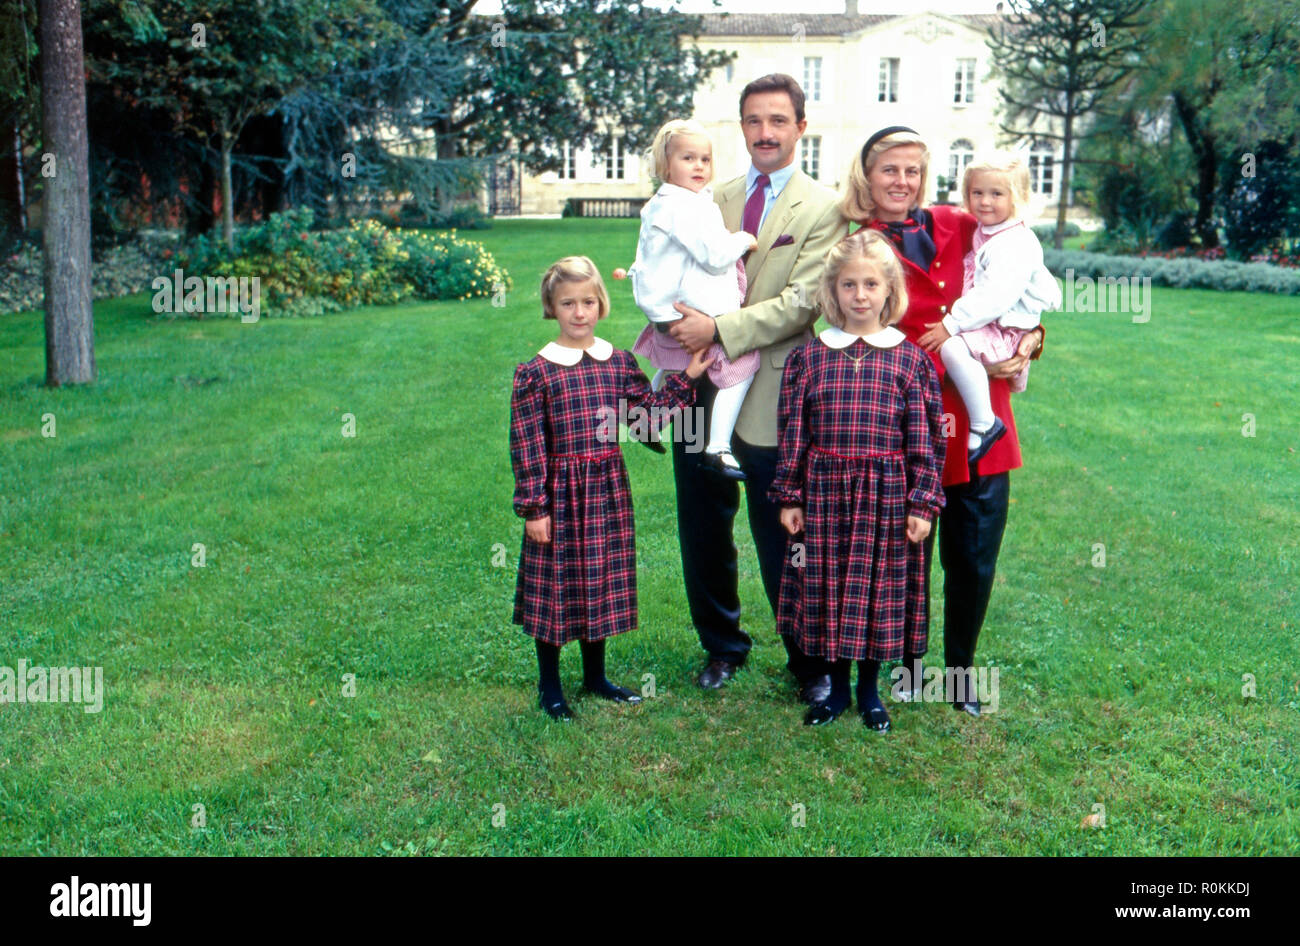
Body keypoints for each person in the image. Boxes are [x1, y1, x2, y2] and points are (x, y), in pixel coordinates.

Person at [841, 126, 1046, 716]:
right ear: (867, 176)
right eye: (889, 170)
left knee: (974, 553)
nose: (901, 182)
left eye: (912, 171)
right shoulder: (860, 245)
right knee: (905, 555)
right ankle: (906, 668)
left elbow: (1019, 279)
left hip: (982, 416)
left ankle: (960, 673)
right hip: (901, 419)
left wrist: (1033, 336)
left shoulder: (964, 222)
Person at [665, 74, 848, 699]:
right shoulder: (705, 196)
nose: (764, 133)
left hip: (773, 393)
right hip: (699, 388)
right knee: (703, 524)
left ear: (801, 127)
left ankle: (808, 661)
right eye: (752, 121)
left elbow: (802, 304)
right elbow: (675, 271)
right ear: (740, 127)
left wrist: (717, 325)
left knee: (785, 532)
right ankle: (721, 646)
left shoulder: (824, 208)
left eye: (777, 120)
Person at [509, 256, 713, 719]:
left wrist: (690, 378)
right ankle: (550, 686)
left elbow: (647, 415)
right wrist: (534, 507)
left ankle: (596, 676)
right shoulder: (537, 372)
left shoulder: (617, 362)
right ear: (551, 307)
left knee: (597, 578)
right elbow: (527, 445)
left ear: (601, 304)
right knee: (557, 583)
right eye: (567, 303)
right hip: (559, 493)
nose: (578, 312)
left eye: (587, 302)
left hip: (604, 488)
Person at [770, 230, 946, 730]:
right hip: (825, 490)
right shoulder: (811, 356)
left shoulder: (909, 359)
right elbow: (793, 430)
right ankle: (836, 691)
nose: (861, 296)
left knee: (875, 587)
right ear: (833, 290)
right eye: (849, 285)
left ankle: (870, 692)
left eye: (871, 284)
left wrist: (922, 503)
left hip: (886, 492)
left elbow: (928, 439)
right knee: (828, 584)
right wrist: (789, 494)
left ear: (889, 290)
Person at [629, 119, 760, 480]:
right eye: (688, 158)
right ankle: (718, 447)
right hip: (688, 309)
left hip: (671, 307)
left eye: (705, 159)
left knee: (675, 362)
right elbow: (713, 254)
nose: (699, 166)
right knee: (741, 363)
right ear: (666, 164)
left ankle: (646, 420)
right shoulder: (682, 206)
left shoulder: (673, 202)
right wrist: (743, 240)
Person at [916, 153, 1061, 463]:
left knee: (952, 348)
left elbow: (994, 295)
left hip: (1004, 327)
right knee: (955, 350)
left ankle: (985, 423)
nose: (984, 201)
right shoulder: (989, 231)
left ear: (1018, 197)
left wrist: (950, 325)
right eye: (977, 192)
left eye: (997, 194)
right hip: (996, 322)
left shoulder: (1014, 243)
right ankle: (984, 422)